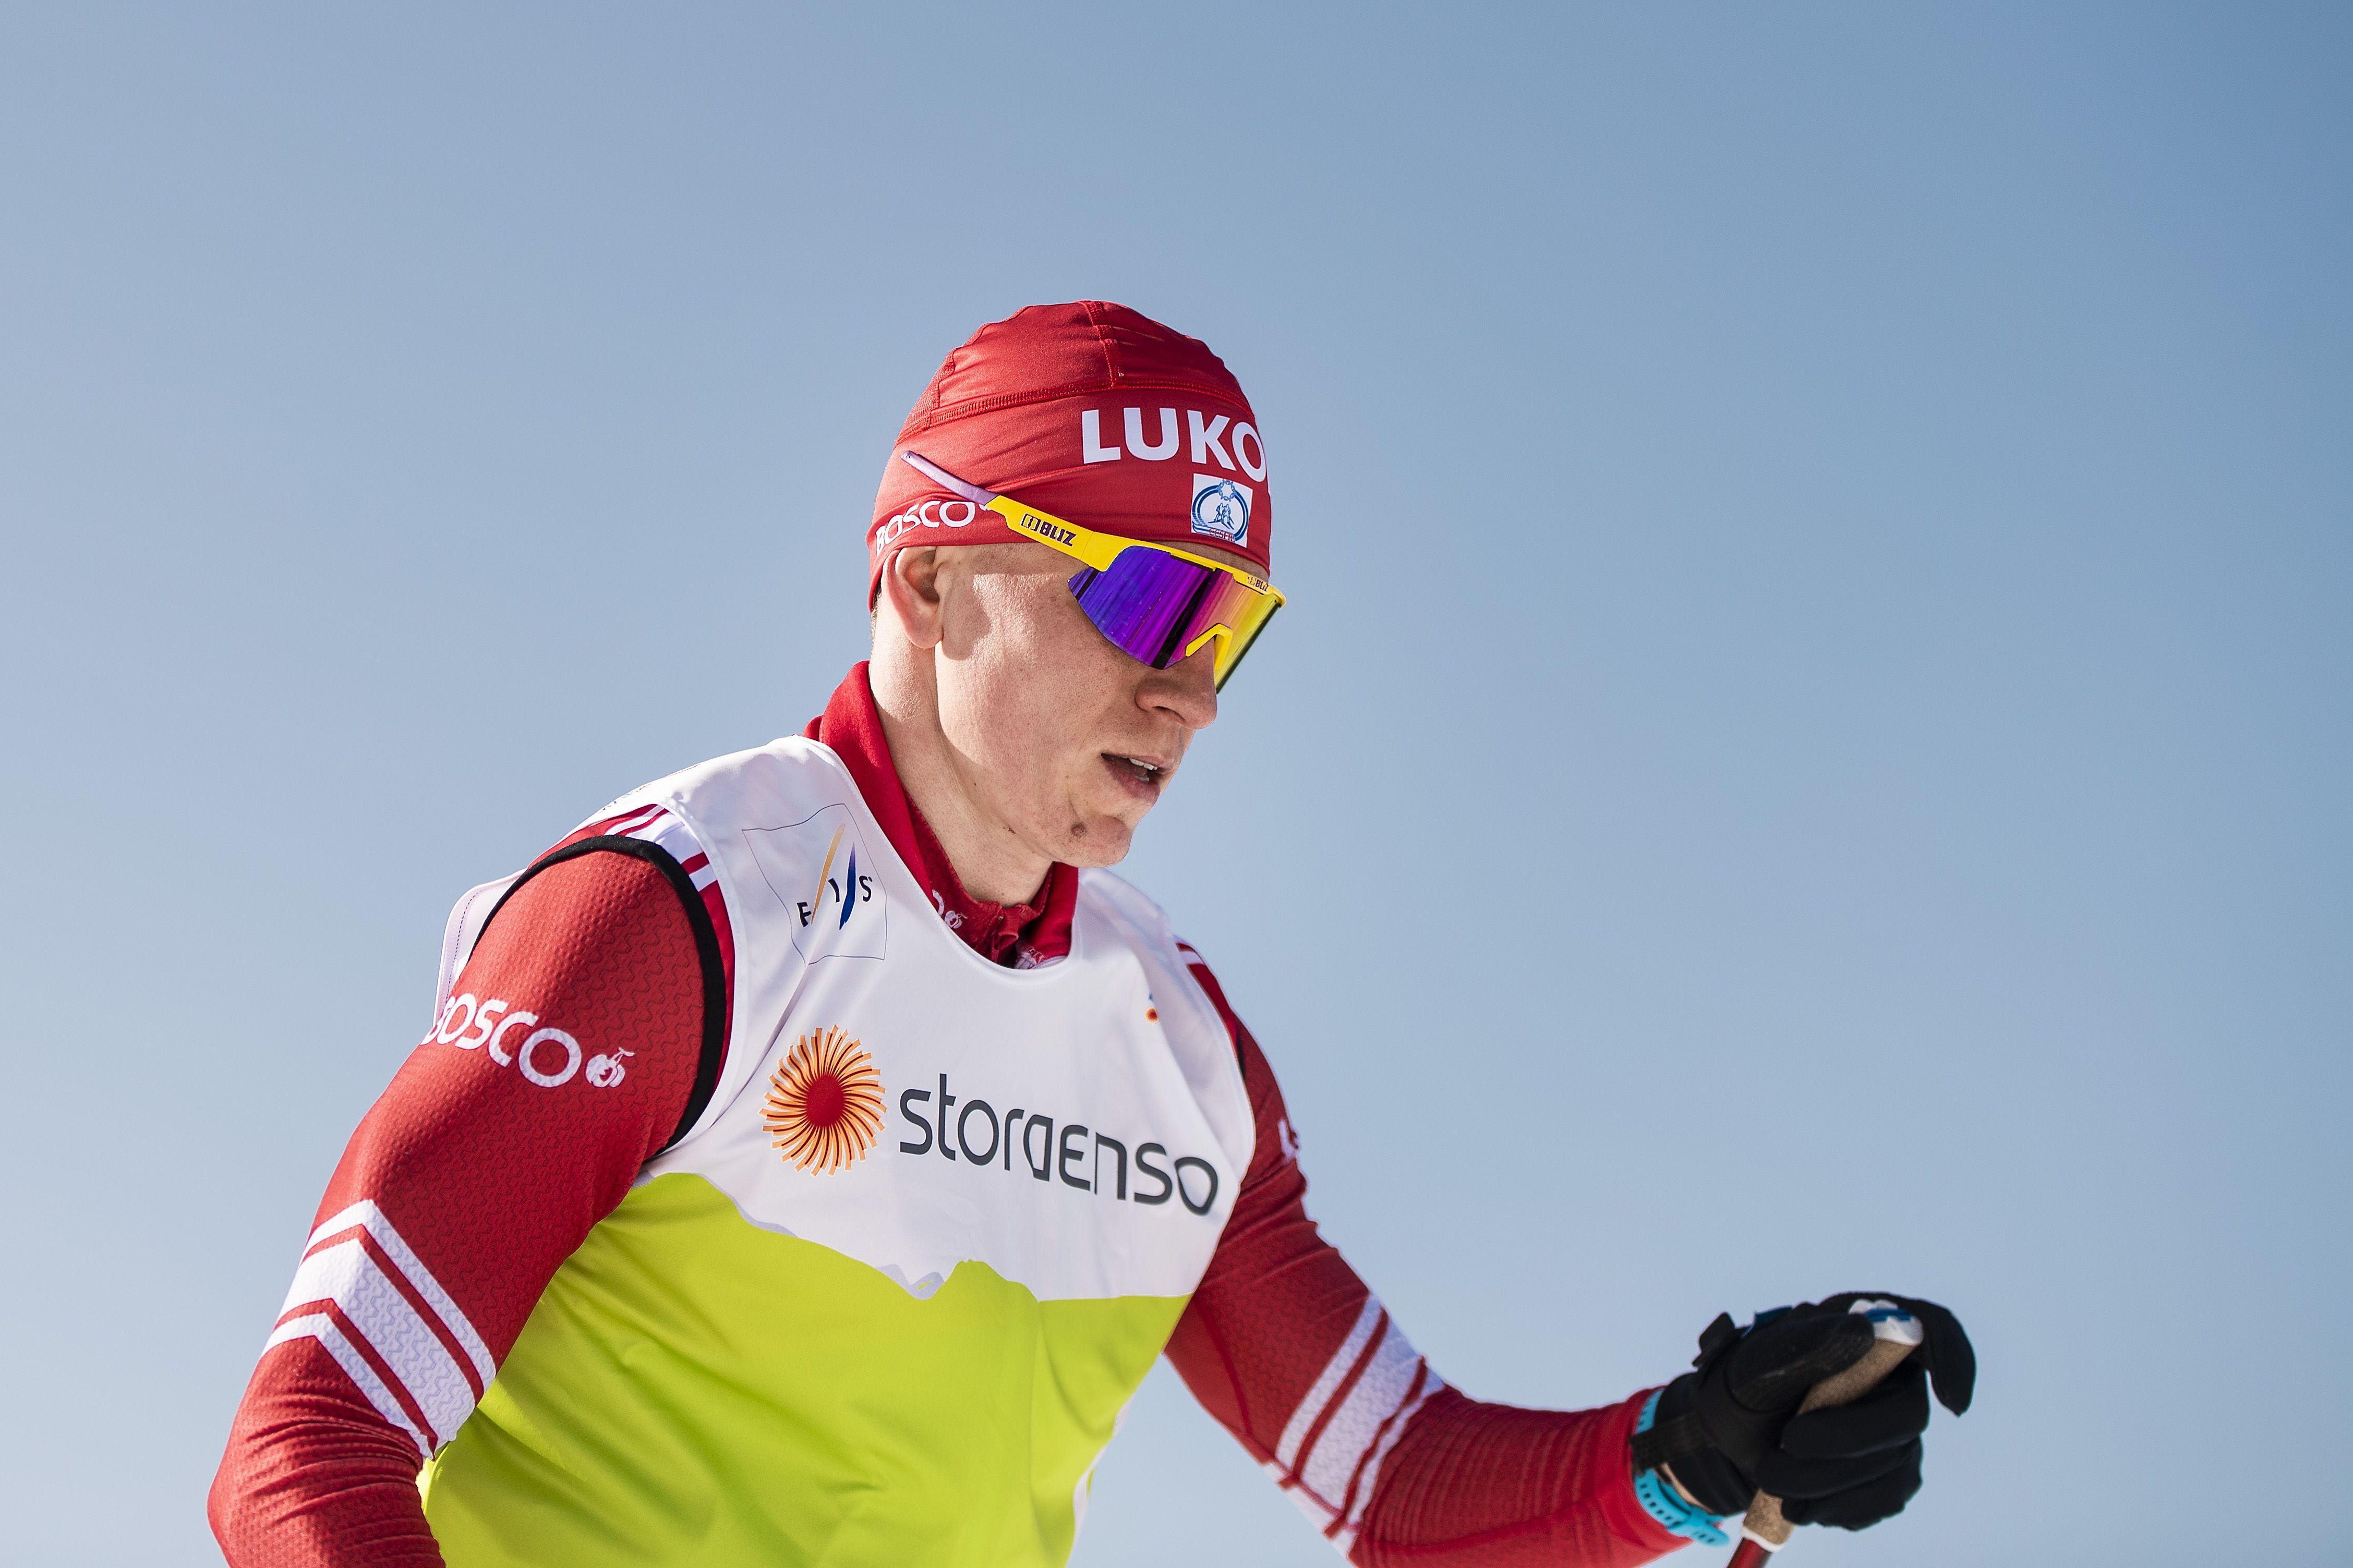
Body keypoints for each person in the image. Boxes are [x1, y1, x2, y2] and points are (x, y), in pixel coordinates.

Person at [209, 302, 1973, 1568]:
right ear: (927, 578)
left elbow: (1394, 1480)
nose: (1189, 690)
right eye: (1142, 596)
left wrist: (1696, 1450)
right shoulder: (676, 920)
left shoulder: (1176, 1047)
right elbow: (307, 1446)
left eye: (1231, 628)